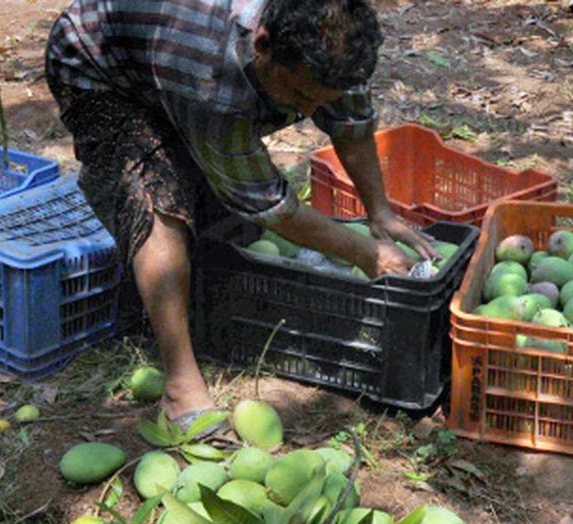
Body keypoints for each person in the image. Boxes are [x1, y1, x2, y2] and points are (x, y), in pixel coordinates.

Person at [45, 0, 437, 432]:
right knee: (156, 195)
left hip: (163, 59)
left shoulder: (335, 45)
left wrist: (379, 211)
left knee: (210, 201)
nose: (308, 113)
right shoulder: (212, 75)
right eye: (301, 97)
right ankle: (180, 386)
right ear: (263, 44)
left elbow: (352, 121)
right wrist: (365, 252)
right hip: (98, 65)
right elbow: (268, 204)